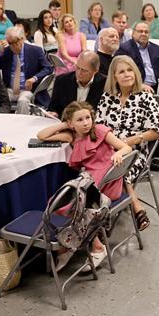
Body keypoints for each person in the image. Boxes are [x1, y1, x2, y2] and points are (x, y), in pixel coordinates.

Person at [37, 101, 132, 271]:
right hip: (90, 180)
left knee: (76, 204)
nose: (86, 122)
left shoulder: (100, 130)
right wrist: (64, 124)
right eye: (80, 120)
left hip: (107, 179)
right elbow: (42, 135)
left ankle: (93, 247)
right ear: (71, 124)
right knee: (61, 203)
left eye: (88, 117)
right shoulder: (71, 136)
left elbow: (126, 147)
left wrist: (118, 153)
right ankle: (70, 245)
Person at [95, 56, 159, 231]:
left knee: (119, 171)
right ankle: (98, 214)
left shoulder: (145, 98)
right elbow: (98, 125)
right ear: (114, 77)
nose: (127, 75)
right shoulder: (108, 97)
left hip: (135, 152)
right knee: (90, 170)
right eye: (121, 72)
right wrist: (112, 143)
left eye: (129, 70)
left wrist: (130, 141)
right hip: (108, 148)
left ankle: (131, 210)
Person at [0, 26, 52, 114]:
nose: (12, 46)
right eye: (9, 43)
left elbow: (48, 68)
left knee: (23, 101)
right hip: (10, 89)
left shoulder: (35, 50)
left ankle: (22, 125)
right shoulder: (6, 51)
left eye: (14, 42)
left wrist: (34, 78)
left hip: (27, 89)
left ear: (21, 39)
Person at [47, 51, 107, 118]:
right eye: (77, 68)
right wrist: (55, 114)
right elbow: (53, 108)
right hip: (66, 123)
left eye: (84, 70)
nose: (79, 73)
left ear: (95, 71)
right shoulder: (62, 80)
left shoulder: (105, 84)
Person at [115, 21, 159, 90]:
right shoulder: (125, 49)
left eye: (146, 32)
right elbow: (121, 73)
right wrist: (139, 85)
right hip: (136, 88)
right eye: (140, 31)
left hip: (157, 87)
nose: (143, 34)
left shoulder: (157, 49)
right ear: (133, 33)